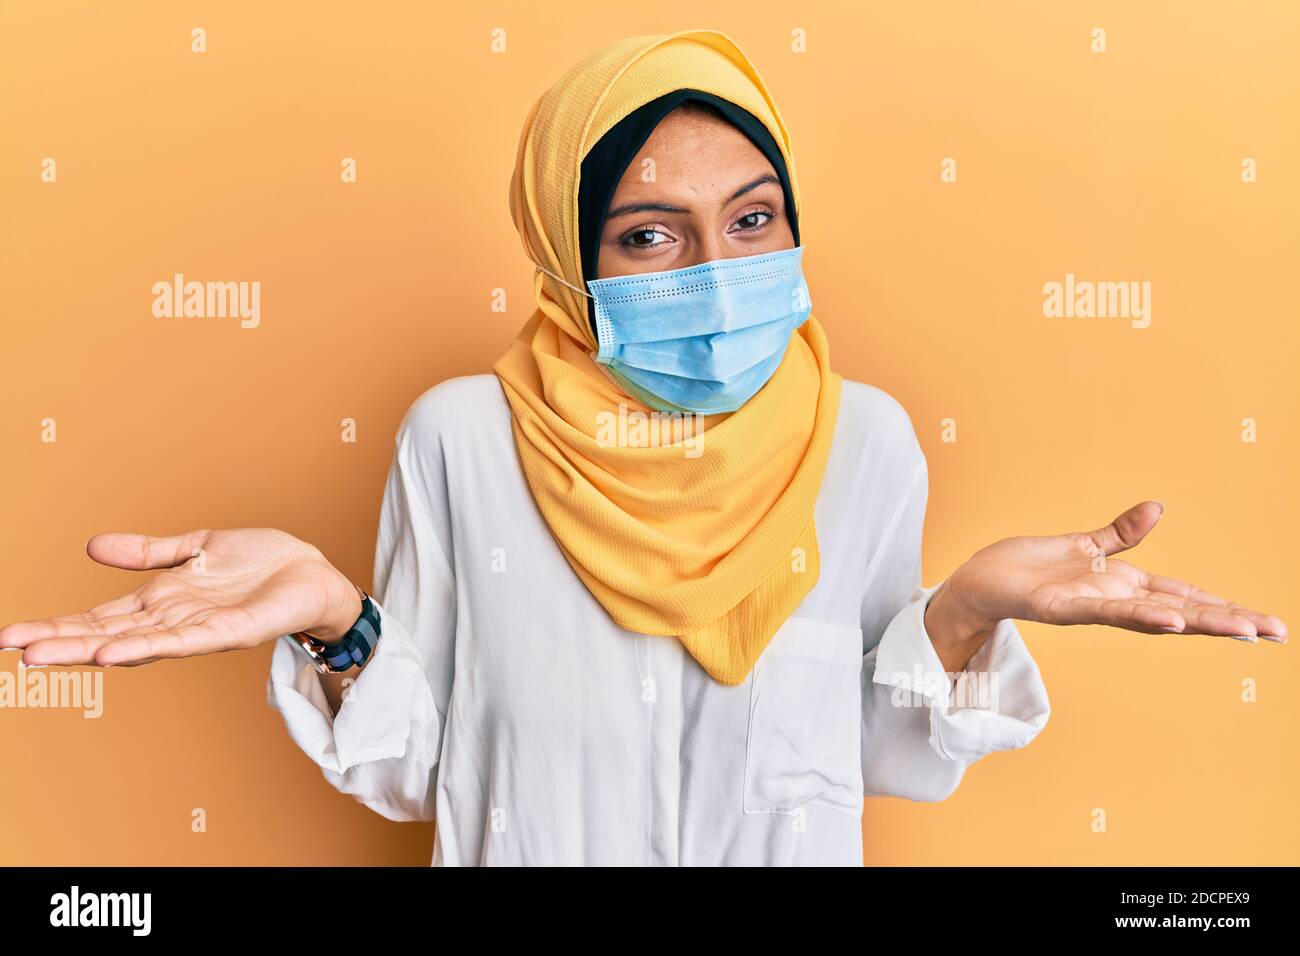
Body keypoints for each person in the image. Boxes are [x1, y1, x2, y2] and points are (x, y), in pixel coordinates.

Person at [1, 30, 1285, 867]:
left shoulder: (868, 444)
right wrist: (342, 621)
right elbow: (412, 774)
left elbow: (869, 759)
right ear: (570, 254)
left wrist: (957, 617)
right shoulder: (462, 437)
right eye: (650, 235)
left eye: (751, 217)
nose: (719, 271)